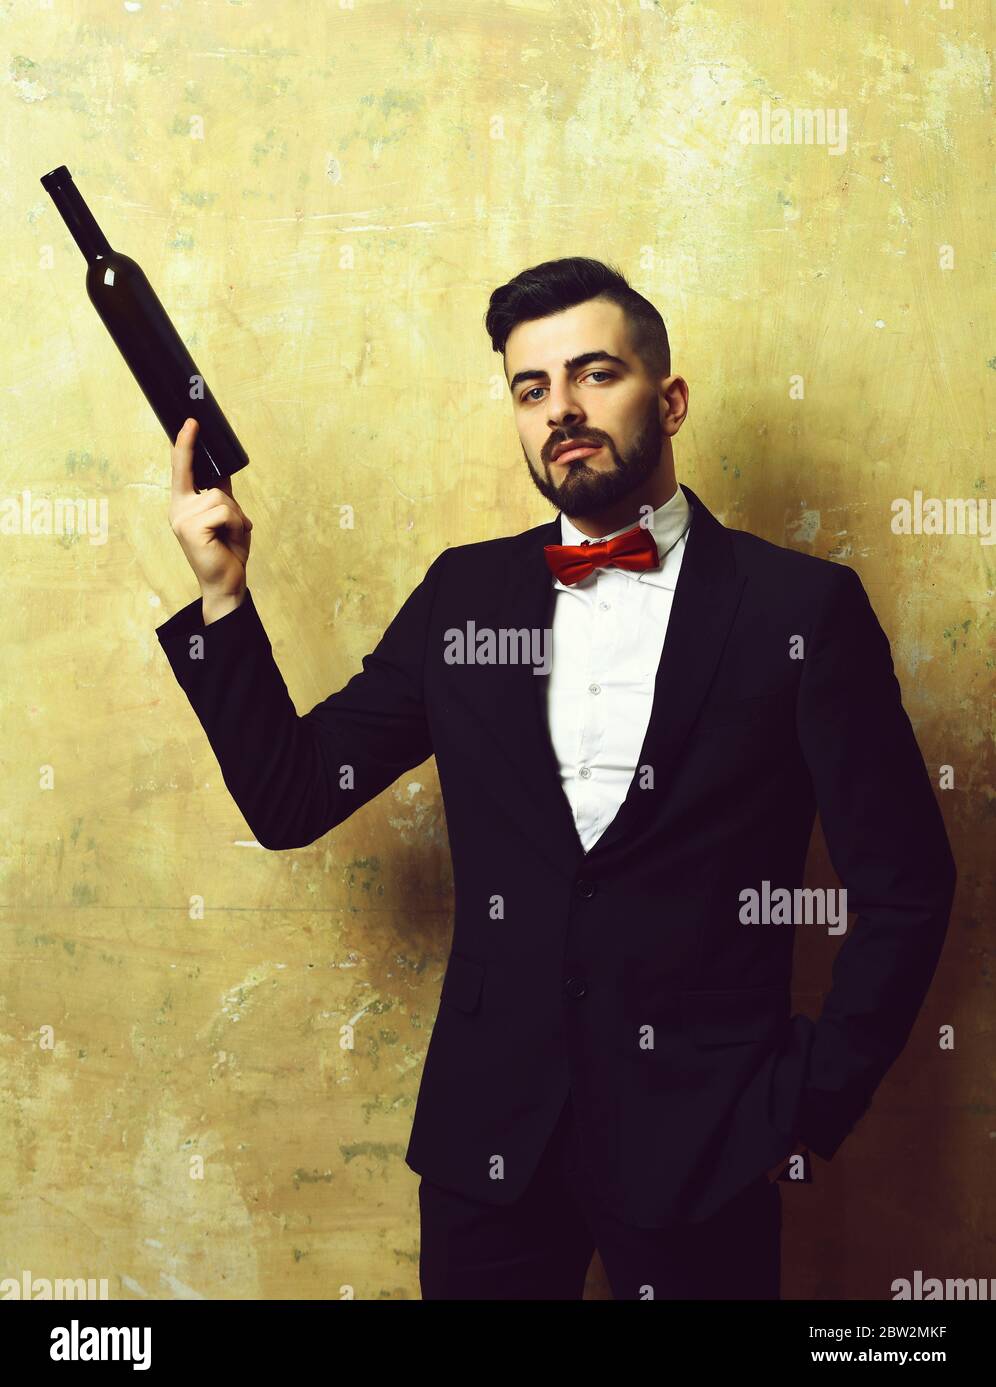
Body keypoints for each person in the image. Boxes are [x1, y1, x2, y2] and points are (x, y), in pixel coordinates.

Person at [157, 257, 956, 1300]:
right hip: (490, 1147)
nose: (561, 410)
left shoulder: (800, 610)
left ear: (668, 399)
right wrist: (223, 594)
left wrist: (804, 1107)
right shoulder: (463, 593)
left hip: (707, 1146)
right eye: (531, 389)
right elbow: (294, 795)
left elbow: (905, 885)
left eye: (593, 375)